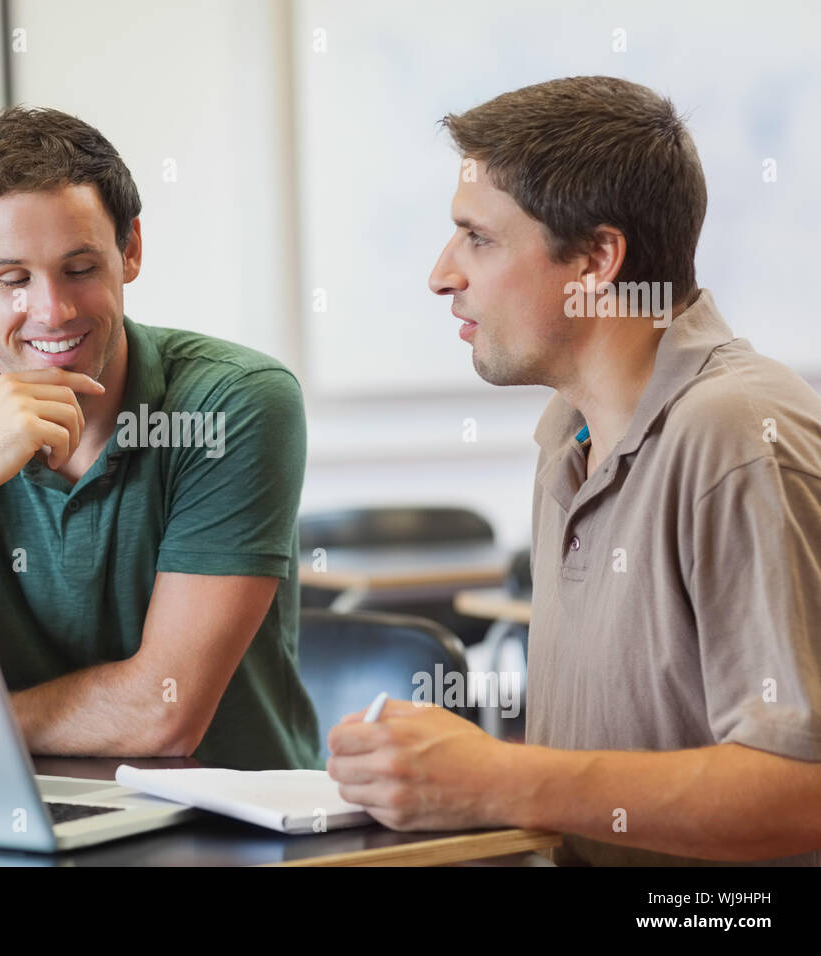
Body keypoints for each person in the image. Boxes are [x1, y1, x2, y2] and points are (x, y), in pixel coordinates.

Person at [328, 76, 821, 864]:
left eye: (478, 239)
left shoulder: (738, 435)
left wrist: (499, 776)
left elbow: (805, 793)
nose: (442, 274)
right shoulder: (568, 430)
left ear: (596, 258)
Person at [0, 106, 320, 771]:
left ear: (129, 250)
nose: (52, 311)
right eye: (12, 279)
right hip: (4, 820)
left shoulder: (235, 402)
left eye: (79, 269)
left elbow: (165, 713)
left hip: (228, 830)